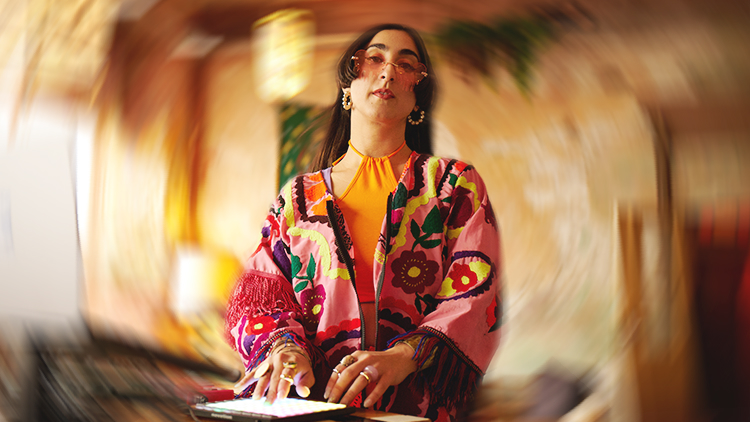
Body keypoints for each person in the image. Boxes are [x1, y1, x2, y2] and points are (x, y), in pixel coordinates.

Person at [225, 23, 502, 421]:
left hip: (415, 408)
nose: (388, 72)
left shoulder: (454, 185)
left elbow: (477, 291)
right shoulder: (297, 198)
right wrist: (285, 349)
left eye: (406, 65)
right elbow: (260, 294)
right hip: (315, 405)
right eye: (374, 58)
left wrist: (405, 355)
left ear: (417, 95)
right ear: (348, 84)